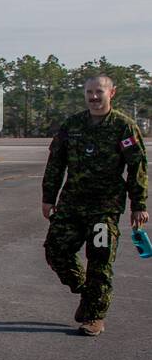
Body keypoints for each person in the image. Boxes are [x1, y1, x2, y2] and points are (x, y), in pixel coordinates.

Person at [42, 75, 148, 335]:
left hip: (104, 208)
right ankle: (87, 291)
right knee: (56, 251)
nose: (94, 97)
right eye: (89, 92)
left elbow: (137, 166)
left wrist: (139, 204)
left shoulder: (124, 127)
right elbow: (56, 163)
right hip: (71, 204)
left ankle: (94, 316)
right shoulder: (72, 125)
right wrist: (48, 197)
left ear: (112, 92)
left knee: (100, 260)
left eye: (99, 91)